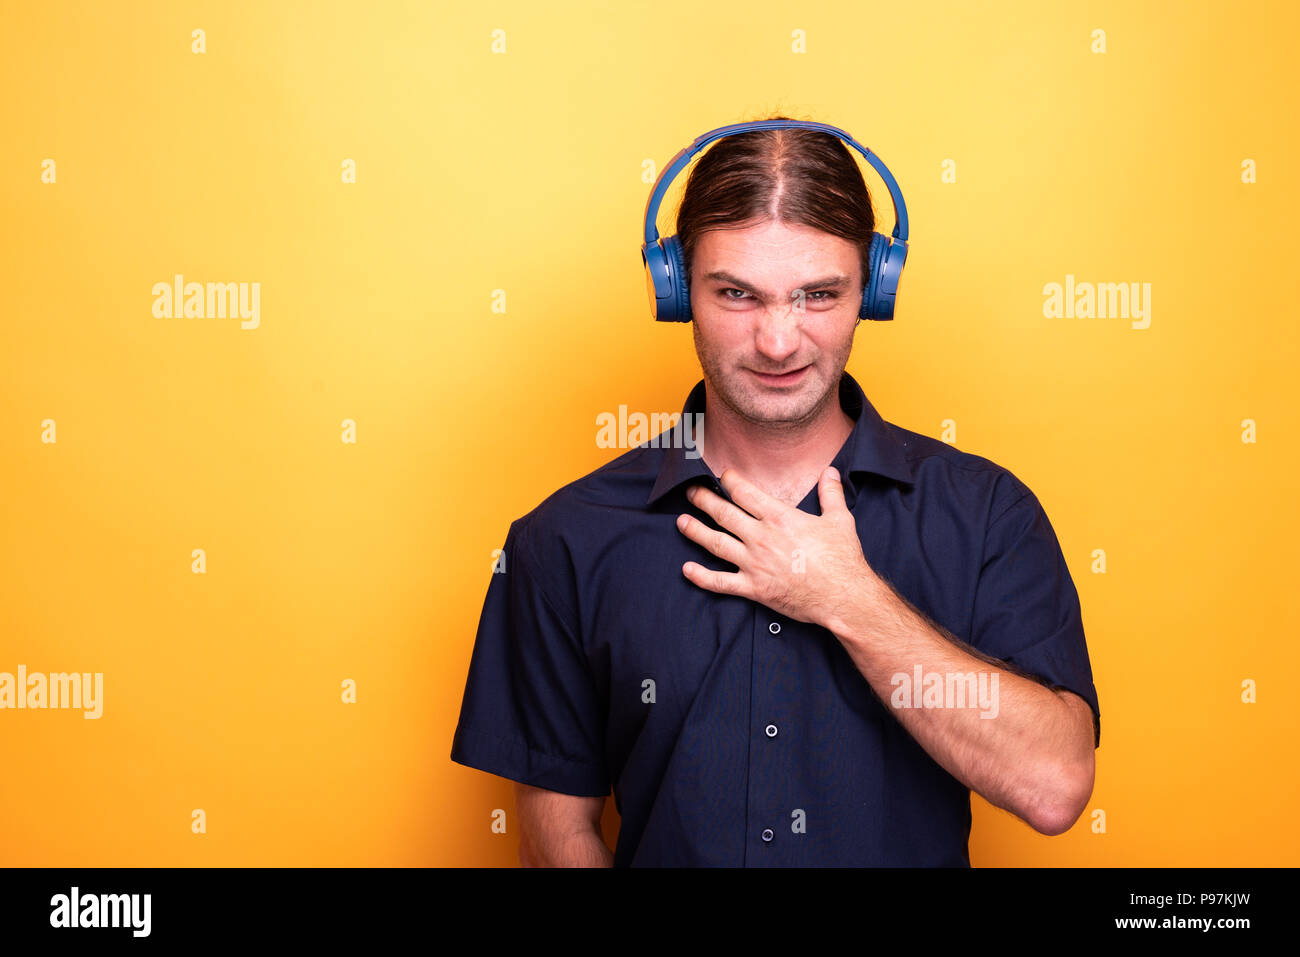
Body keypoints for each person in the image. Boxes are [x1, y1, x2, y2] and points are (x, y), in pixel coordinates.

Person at [450, 117, 1101, 867]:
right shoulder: (565, 538)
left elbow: (1055, 784)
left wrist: (846, 598)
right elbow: (556, 833)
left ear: (874, 289)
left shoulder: (987, 515)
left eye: (818, 295)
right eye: (737, 294)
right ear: (675, 288)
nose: (779, 340)